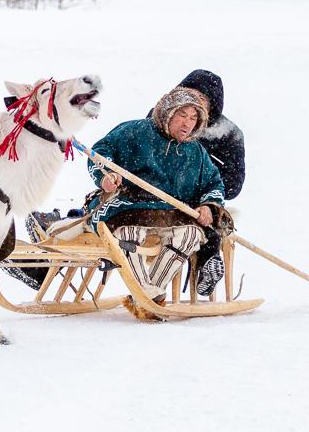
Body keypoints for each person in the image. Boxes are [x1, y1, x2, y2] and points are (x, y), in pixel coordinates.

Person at [85, 85, 225, 318]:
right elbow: (100, 153)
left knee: (191, 235)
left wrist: (208, 205)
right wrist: (106, 177)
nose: (187, 123)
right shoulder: (134, 131)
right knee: (127, 234)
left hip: (174, 212)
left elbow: (214, 183)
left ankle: (148, 296)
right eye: (182, 115)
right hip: (130, 207)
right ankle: (150, 297)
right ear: (168, 112)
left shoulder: (196, 152)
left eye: (193, 118)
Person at [146, 70, 245, 296]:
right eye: (187, 97)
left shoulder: (228, 134)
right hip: (157, 191)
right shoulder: (159, 117)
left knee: (208, 216)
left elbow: (234, 183)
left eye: (200, 100)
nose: (192, 107)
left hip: (200, 197)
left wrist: (200, 183)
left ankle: (207, 264)